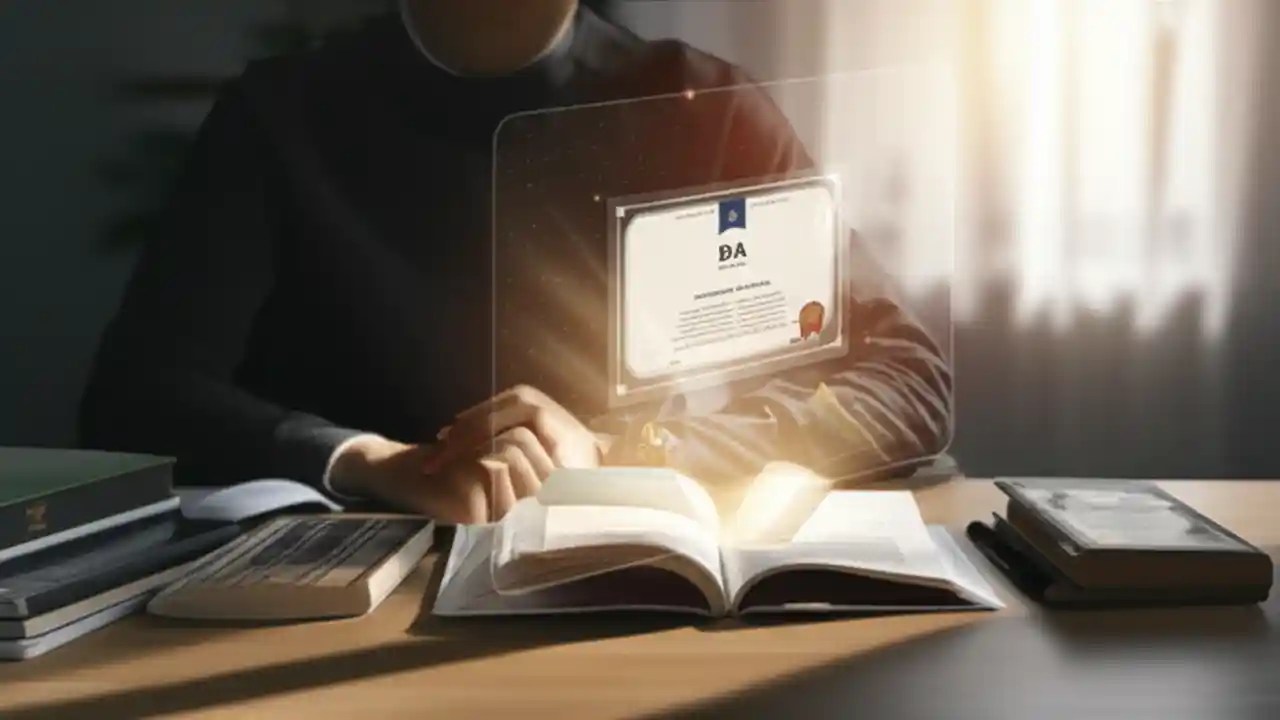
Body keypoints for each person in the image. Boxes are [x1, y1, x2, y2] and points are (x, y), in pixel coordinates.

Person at [80, 0, 953, 524]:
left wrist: (624, 452)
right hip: (353, 577)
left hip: (622, 577)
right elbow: (138, 397)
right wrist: (374, 462)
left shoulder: (702, 106)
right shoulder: (278, 116)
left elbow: (906, 380)